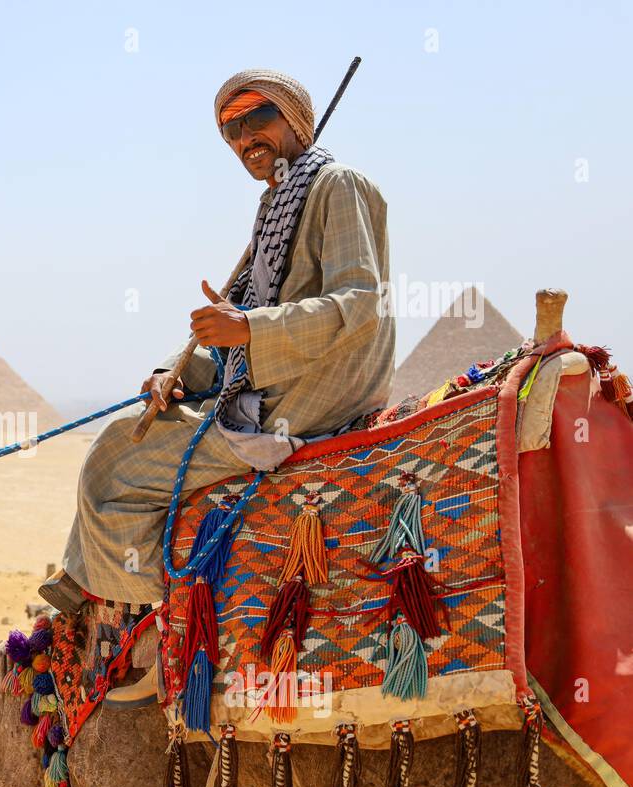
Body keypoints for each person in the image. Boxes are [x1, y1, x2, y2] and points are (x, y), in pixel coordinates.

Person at [39, 69, 394, 704]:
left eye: (257, 118)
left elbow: (359, 302)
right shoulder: (278, 204)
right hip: (277, 374)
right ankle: (99, 584)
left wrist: (247, 325)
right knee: (123, 432)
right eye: (229, 129)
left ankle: (153, 627)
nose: (243, 137)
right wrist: (175, 377)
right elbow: (236, 337)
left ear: (294, 120)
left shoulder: (336, 185)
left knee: (113, 469)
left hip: (316, 390)